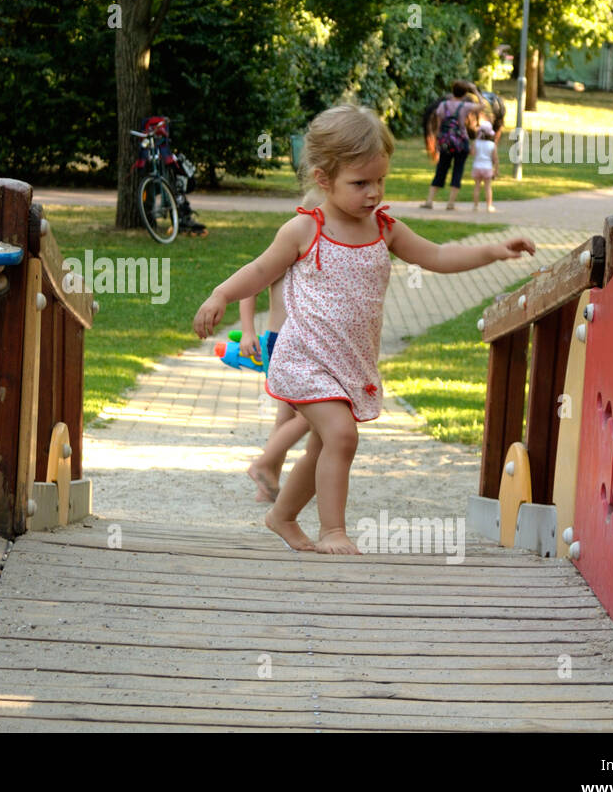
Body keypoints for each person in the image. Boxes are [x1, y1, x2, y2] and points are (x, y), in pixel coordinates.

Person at [193, 105, 536, 554]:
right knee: (341, 435)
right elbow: (259, 271)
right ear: (323, 178)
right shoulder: (304, 230)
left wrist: (493, 250)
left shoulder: (385, 230)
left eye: (380, 181)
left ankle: (281, 515)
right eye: (360, 183)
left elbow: (436, 256)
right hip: (303, 358)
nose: (373, 193)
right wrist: (220, 295)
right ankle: (333, 530)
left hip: (347, 363)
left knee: (322, 444)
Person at [238, 281, 310, 502]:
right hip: (283, 343)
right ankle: (263, 465)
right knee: (312, 414)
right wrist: (248, 331)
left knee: (286, 416)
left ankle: (268, 486)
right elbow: (248, 289)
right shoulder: (289, 249)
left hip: (302, 344)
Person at [422, 81, 483, 210]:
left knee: (441, 170)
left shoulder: (443, 105)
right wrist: (475, 90)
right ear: (465, 93)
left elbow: (438, 127)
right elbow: (482, 106)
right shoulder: (465, 106)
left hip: (446, 142)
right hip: (461, 143)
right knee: (458, 170)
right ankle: (450, 203)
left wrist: (439, 142)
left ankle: (429, 200)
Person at [471, 119, 498, 212]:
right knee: (488, 187)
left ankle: (475, 206)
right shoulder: (492, 145)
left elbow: (472, 153)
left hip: (477, 166)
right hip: (487, 167)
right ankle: (489, 206)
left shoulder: (476, 143)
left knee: (477, 187)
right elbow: (495, 159)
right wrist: (496, 169)